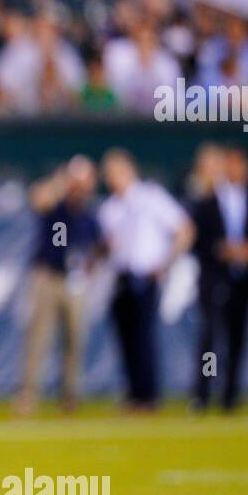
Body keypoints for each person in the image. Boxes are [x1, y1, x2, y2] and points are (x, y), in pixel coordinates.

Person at [98, 149, 194, 409]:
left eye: (116, 172)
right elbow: (105, 248)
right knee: (125, 338)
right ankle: (133, 394)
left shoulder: (151, 197)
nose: (112, 179)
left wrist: (166, 263)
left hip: (146, 275)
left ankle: (148, 395)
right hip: (120, 278)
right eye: (108, 174)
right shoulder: (109, 208)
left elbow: (184, 229)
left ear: (130, 170)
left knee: (144, 337)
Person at [17, 155, 100, 415]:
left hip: (74, 281)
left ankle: (70, 396)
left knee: (75, 340)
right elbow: (37, 197)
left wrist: (89, 268)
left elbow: (97, 246)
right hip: (48, 276)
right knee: (38, 340)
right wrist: (61, 182)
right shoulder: (55, 205)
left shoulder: (88, 214)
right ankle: (28, 397)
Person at [190, 145, 248, 411]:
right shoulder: (207, 202)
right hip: (214, 277)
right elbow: (198, 240)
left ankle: (231, 395)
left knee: (237, 338)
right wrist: (220, 249)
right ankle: (203, 393)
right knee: (210, 337)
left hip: (242, 278)